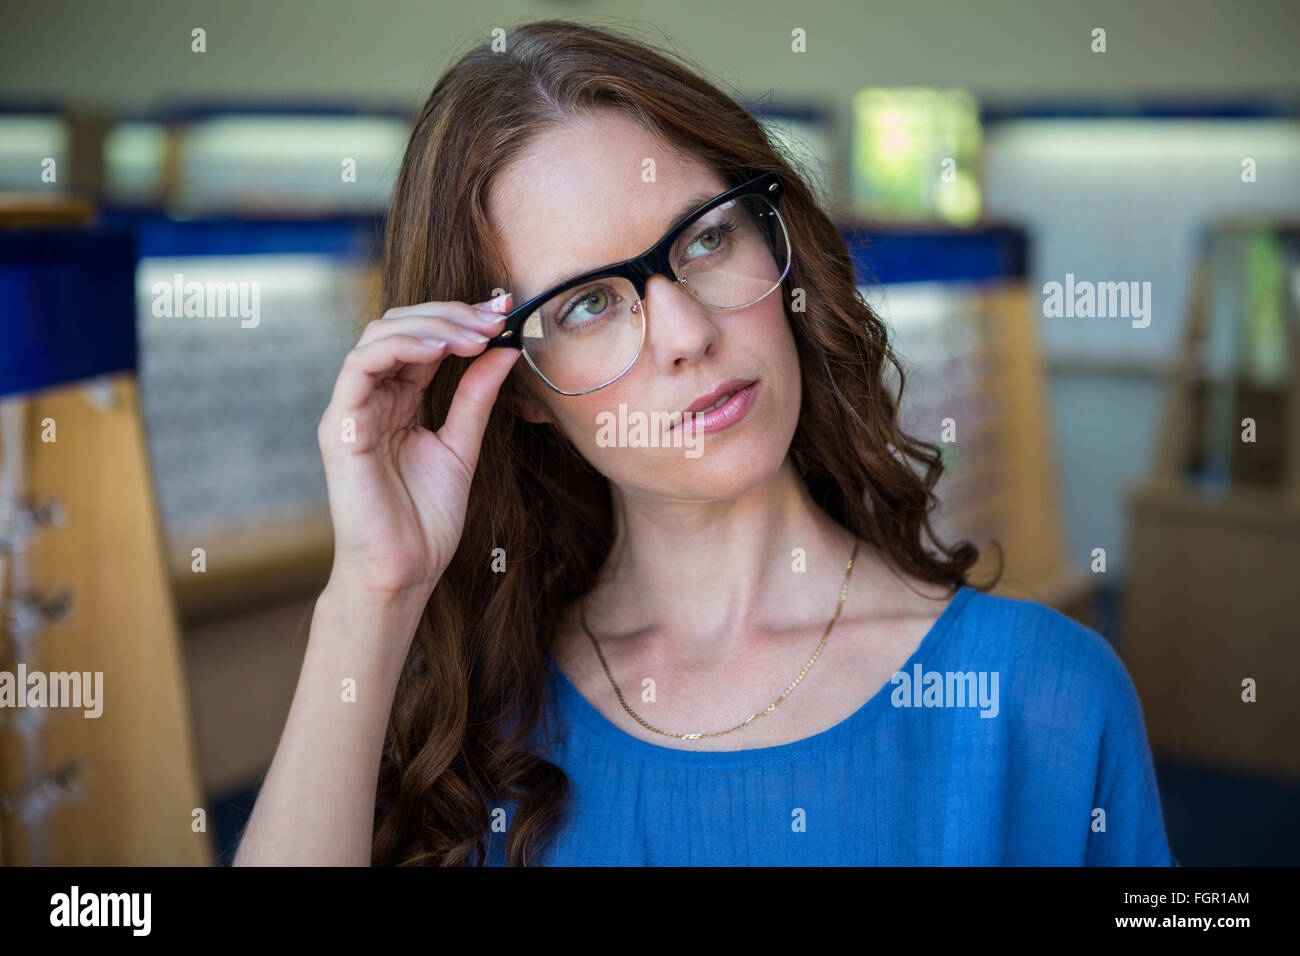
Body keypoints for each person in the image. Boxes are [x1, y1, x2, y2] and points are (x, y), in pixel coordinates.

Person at [233, 19, 1176, 867]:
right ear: (513, 389)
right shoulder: (470, 733)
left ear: (780, 245)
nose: (686, 333)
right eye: (590, 303)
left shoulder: (1043, 696)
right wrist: (374, 589)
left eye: (706, 238)